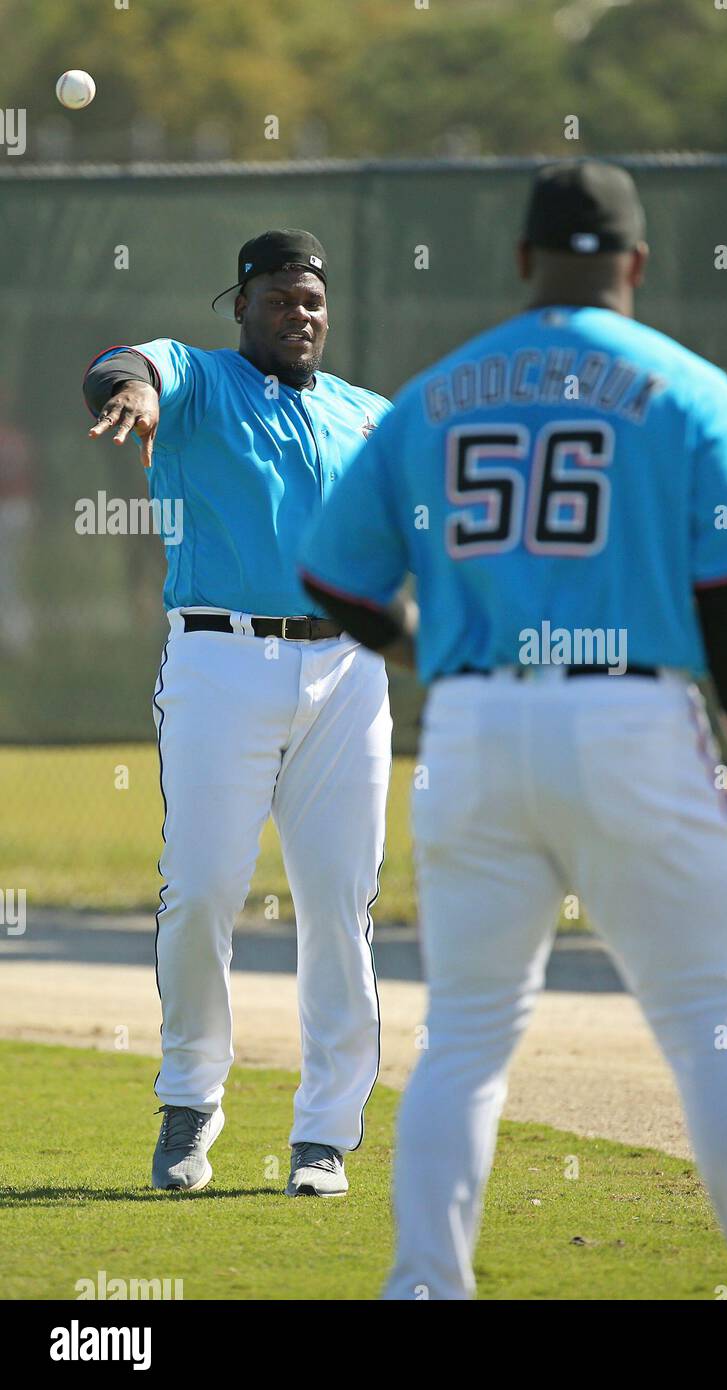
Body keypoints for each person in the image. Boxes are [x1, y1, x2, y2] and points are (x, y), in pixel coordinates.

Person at [301, 163, 727, 1296]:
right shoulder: (689, 389)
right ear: (636, 264)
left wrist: (437, 643)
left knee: (464, 1041)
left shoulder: (435, 392)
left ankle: (421, 1287)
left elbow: (334, 578)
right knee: (711, 1026)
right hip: (631, 714)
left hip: (477, 724)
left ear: (519, 263)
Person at [84, 230, 413, 1198]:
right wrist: (128, 391)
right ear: (240, 303)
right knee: (199, 887)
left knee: (339, 904)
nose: (296, 312)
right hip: (220, 658)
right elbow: (126, 362)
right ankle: (190, 1098)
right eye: (276, 296)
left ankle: (323, 1135)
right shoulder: (196, 380)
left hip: (346, 671)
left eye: (309, 298)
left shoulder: (367, 414)